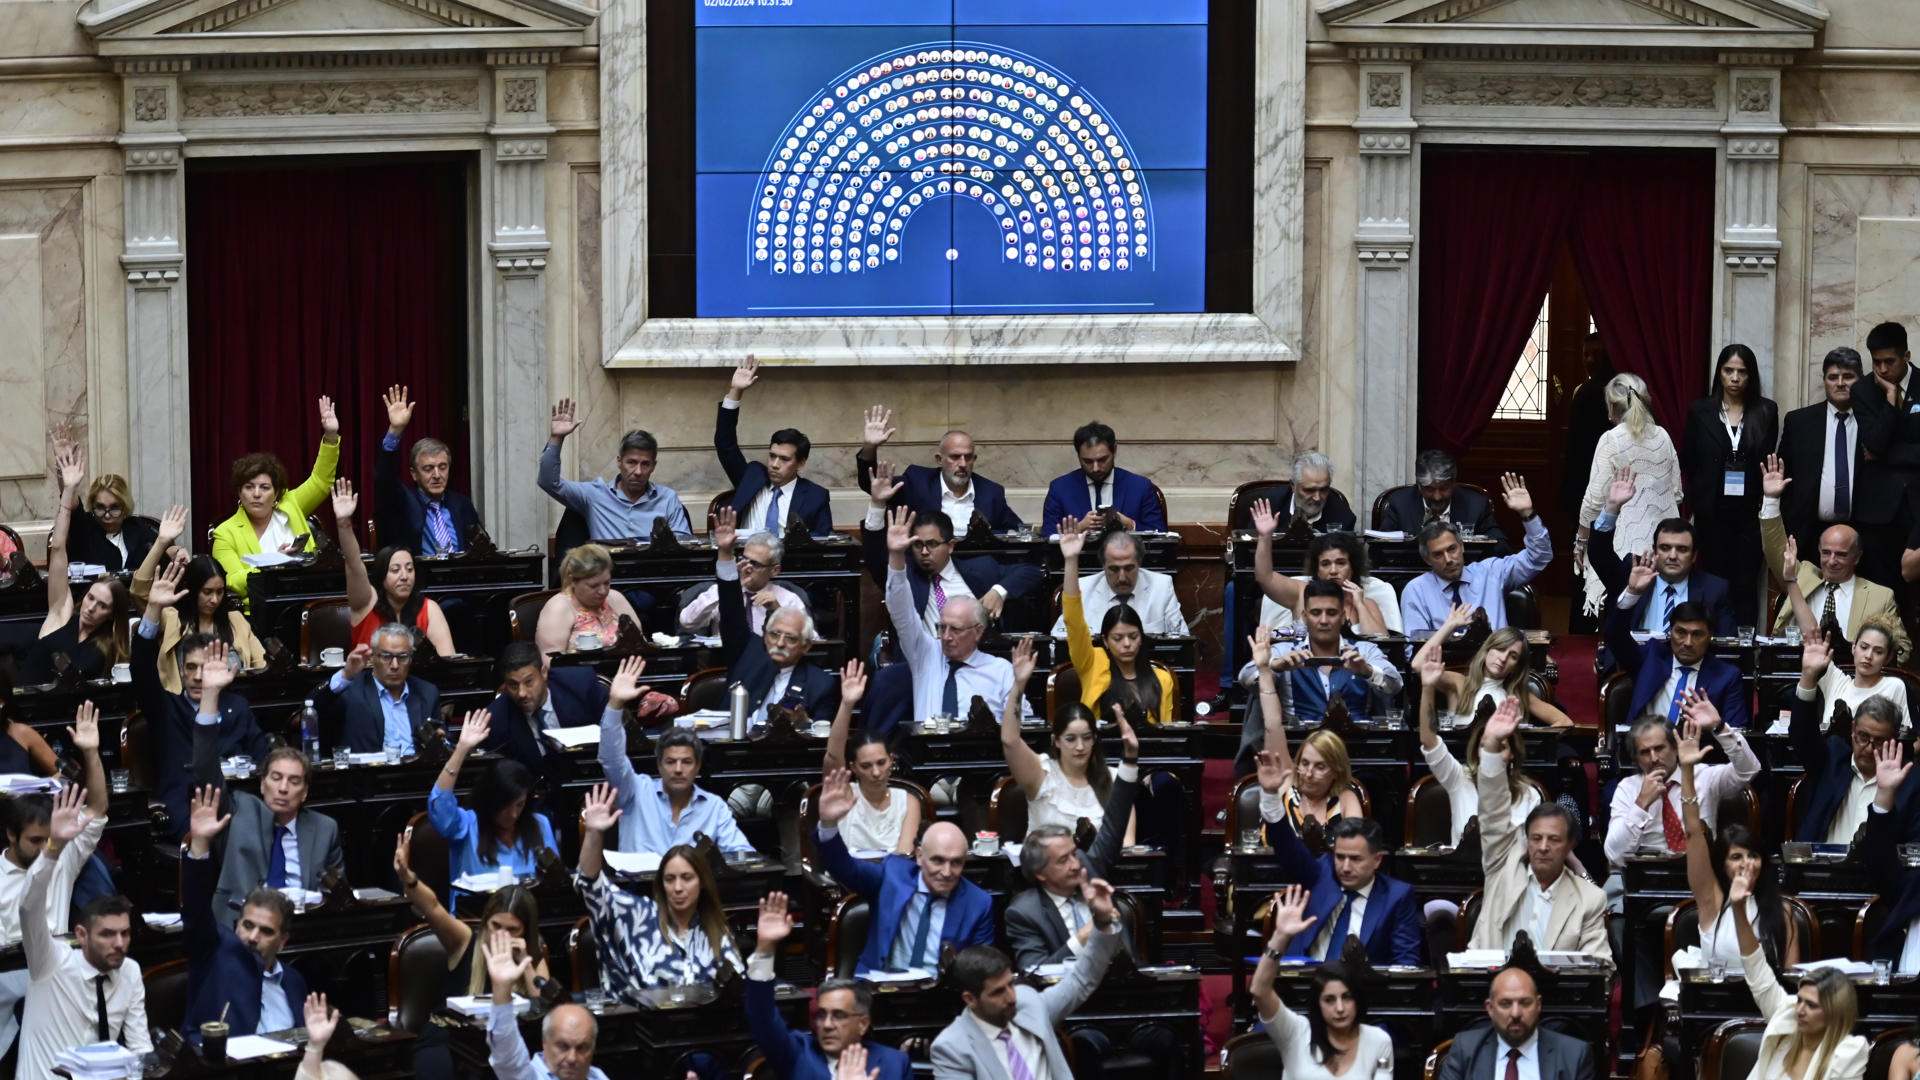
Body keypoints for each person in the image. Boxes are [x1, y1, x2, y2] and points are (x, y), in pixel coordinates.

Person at [18, 783, 150, 1079]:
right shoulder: (49, 963)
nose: (119, 944)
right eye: (107, 934)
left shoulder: (130, 972)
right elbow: (29, 908)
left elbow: (140, 1051)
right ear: (80, 935)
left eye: (125, 934)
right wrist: (52, 849)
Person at [928, 881, 1123, 1079]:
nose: (1011, 997)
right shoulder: (952, 1047)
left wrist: (1103, 921)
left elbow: (1083, 978)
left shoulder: (1028, 1003)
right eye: (997, 992)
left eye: (1010, 985)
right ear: (970, 999)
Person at [134, 561, 270, 837]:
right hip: (186, 807)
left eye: (205, 668)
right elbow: (140, 669)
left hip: (235, 803)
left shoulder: (237, 707)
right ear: (181, 672)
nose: (198, 676)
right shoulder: (167, 707)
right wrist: (152, 610)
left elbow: (263, 758)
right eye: (191, 668)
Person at [814, 767, 994, 975]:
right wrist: (828, 824)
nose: (946, 872)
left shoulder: (978, 903)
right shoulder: (892, 874)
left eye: (956, 863)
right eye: (938, 861)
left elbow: (981, 971)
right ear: (919, 855)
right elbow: (844, 868)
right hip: (879, 988)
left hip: (939, 994)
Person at [0, 704, 106, 1056]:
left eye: (48, 838)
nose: (45, 846)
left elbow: (97, 808)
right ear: (11, 836)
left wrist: (90, 753)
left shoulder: (60, 854)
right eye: (35, 840)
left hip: (58, 985)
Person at [573, 783, 743, 998]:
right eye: (670, 879)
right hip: (641, 1025)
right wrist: (593, 834)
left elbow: (739, 993)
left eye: (687, 878)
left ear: (702, 883)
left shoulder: (717, 932)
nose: (678, 888)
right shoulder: (636, 914)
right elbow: (590, 887)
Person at [1469, 700, 1610, 957]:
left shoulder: (1590, 899)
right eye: (1536, 838)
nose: (1543, 847)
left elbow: (1601, 966)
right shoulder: (1502, 867)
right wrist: (1490, 749)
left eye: (1554, 840)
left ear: (1569, 846)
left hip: (1553, 994)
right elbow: (1492, 812)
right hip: (1493, 987)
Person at [1256, 753, 1423, 965]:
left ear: (1377, 860)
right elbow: (1285, 844)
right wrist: (1271, 795)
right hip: (1305, 985)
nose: (1345, 867)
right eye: (1340, 857)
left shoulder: (1397, 896)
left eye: (1355, 859)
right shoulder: (1319, 874)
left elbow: (1406, 964)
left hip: (1361, 990)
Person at [180, 785, 308, 1037]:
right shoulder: (215, 954)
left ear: (283, 942)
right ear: (236, 924)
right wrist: (200, 844)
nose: (252, 937)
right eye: (248, 925)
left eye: (266, 931)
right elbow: (195, 910)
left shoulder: (294, 982)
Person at [881, 506, 1027, 724]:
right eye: (942, 627)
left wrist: (1020, 685)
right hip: (929, 754)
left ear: (978, 631)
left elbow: (1024, 724)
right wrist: (895, 555)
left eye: (956, 629)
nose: (946, 636)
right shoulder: (926, 655)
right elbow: (899, 608)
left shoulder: (1000, 670)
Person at [191, 724, 344, 929]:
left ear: (305, 792)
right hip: (241, 928)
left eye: (294, 781)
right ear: (262, 784)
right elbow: (204, 767)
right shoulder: (239, 810)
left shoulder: (325, 829)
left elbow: (338, 895)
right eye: (276, 778)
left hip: (301, 929)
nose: (283, 788)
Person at [746, 892, 913, 1080]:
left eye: (839, 1015)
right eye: (821, 1014)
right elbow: (761, 1014)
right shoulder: (797, 1053)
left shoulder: (894, 1064)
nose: (826, 1025)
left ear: (863, 1023)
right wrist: (765, 948)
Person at [1675, 719, 1799, 972]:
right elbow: (1693, 833)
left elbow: (1792, 979)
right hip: (1717, 1009)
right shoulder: (1712, 902)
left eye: (1753, 855)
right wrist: (1687, 771)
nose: (1746, 863)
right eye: (1736, 857)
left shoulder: (1783, 910)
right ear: (1722, 864)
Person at [1760, 453, 1910, 661]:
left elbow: (1902, 649)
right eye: (1826, 552)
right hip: (1794, 673)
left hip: (1852, 678)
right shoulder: (1802, 576)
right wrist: (1771, 499)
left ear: (1856, 557)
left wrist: (1871, 663)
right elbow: (1775, 547)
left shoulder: (1880, 597)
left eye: (1841, 555)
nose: (1831, 561)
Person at [862, 461, 1042, 634]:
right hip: (922, 660)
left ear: (950, 546)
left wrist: (998, 591)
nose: (924, 551)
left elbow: (1032, 570)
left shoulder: (981, 567)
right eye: (918, 545)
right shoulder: (906, 576)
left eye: (932, 544)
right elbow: (875, 558)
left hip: (972, 659)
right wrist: (877, 505)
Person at [596, 660, 756, 855]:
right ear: (659, 765)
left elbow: (741, 853)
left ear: (697, 766)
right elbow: (611, 760)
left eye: (687, 762)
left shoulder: (714, 807)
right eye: (670, 762)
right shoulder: (636, 791)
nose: (678, 769)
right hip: (641, 884)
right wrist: (615, 704)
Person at [1005, 742, 1142, 968]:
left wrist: (1129, 759)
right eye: (1062, 860)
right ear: (1040, 873)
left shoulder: (1089, 870)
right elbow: (1035, 973)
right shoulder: (1024, 913)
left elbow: (1114, 823)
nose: (1075, 865)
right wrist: (1084, 937)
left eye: (1073, 854)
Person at [1776, 346, 1903, 586]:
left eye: (1849, 377)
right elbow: (1784, 475)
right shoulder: (1799, 421)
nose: (1841, 383)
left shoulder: (1876, 420)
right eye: (1833, 377)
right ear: (1824, 381)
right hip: (1810, 534)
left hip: (1865, 534)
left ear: (1861, 380)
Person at [1728, 866, 1865, 1080]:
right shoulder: (1786, 1016)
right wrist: (1738, 909)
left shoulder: (1848, 1054)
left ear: (1834, 1012)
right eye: (1800, 1000)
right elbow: (1756, 970)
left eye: (1811, 1005)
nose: (1800, 1009)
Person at [1248, 885, 1396, 1080]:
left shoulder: (1378, 1040)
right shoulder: (1295, 1032)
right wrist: (1280, 937)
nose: (1340, 1008)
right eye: (1329, 1000)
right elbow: (1260, 990)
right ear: (1317, 1004)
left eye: (1347, 997)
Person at [211, 396, 341, 609]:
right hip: (259, 612)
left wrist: (330, 435)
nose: (256, 494)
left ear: (277, 493)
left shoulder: (291, 505)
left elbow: (320, 481)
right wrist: (274, 562)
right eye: (249, 487)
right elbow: (233, 582)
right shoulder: (225, 533)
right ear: (239, 492)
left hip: (308, 601)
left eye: (264, 488)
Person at [1003, 639, 1139, 844]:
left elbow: (1127, 846)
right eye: (1070, 739)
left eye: (1086, 738)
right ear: (1055, 741)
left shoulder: (1113, 780)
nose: (1080, 747)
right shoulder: (1041, 775)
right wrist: (1019, 685)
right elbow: (1010, 741)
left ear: (1095, 739)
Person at [712, 507, 838, 727]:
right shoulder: (747, 653)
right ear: (765, 635)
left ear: (805, 645)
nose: (779, 643)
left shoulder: (821, 684)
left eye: (790, 638)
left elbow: (821, 742)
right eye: (774, 634)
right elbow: (731, 613)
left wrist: (804, 724)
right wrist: (725, 554)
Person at [1683, 345, 1778, 626]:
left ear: (1751, 376)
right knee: (1713, 584)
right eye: (1729, 371)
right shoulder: (1701, 410)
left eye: (1742, 372)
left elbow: (1767, 456)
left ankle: (1746, 656)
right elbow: (1689, 458)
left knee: (1745, 587)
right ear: (1720, 374)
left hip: (1749, 516)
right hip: (1711, 514)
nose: (1735, 378)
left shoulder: (1765, 410)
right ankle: (1711, 647)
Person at [1603, 697, 1760, 867]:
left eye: (1659, 748)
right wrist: (1641, 805)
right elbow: (1614, 854)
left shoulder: (1704, 776)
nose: (1654, 758)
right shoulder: (1628, 788)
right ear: (1636, 759)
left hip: (1702, 872)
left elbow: (1749, 770)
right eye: (1645, 752)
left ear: (1675, 747)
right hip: (1645, 875)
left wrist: (1720, 727)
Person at [1574, 373, 1682, 619]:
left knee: (1622, 612)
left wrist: (1581, 542)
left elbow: (1593, 501)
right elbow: (1676, 492)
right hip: (1664, 544)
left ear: (1612, 407)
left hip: (1621, 545)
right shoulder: (1663, 435)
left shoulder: (1611, 439)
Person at [23, 441, 130, 684]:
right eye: (91, 598)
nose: (92, 607)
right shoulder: (62, 613)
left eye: (102, 606)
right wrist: (69, 490)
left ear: (112, 615)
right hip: (25, 709)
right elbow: (59, 547)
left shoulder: (109, 648)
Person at [1413, 647, 1542, 848]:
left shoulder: (1530, 795)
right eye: (1485, 746)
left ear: (1513, 755)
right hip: (1461, 875)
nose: (1491, 751)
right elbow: (1429, 740)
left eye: (1500, 746)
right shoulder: (1458, 779)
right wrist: (1428, 688)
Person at [130, 506, 266, 694]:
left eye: (220, 592)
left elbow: (263, 667)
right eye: (207, 592)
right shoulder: (172, 619)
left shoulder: (236, 620)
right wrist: (161, 542)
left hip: (232, 703)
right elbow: (139, 590)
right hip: (184, 707)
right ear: (193, 590)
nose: (214, 599)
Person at [1587, 467, 1734, 637]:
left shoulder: (1714, 590)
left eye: (1682, 549)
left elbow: (1727, 648)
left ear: (1694, 556)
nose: (1672, 556)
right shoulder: (1634, 573)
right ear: (1654, 551)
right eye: (1665, 548)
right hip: (1636, 661)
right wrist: (1611, 508)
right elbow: (1599, 555)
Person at [1399, 473, 1551, 635]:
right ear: (1427, 559)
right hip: (1446, 659)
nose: (1449, 559)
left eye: (1452, 549)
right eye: (1438, 554)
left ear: (1462, 547)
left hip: (1497, 658)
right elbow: (1414, 649)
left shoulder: (1491, 572)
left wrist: (1527, 514)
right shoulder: (1416, 590)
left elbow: (1539, 557)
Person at [1244, 626, 1365, 829]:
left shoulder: (1346, 798)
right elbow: (1273, 724)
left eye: (1320, 766)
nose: (1308, 773)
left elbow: (1354, 850)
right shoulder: (1286, 782)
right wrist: (1265, 670)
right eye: (1305, 763)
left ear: (1336, 770)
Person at [1240, 580, 1400, 732]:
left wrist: (1367, 671)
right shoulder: (1283, 651)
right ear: (1304, 617)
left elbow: (1396, 685)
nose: (1323, 620)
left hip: (1357, 744)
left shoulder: (1365, 650)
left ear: (1343, 617)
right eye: (1316, 613)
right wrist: (1275, 666)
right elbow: (1245, 679)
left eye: (1331, 613)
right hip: (1299, 744)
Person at [1059, 517, 1176, 724]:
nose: (1127, 644)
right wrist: (1070, 560)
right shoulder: (1091, 664)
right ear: (1105, 641)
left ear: (1142, 638)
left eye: (1132, 636)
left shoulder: (1163, 679)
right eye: (1118, 638)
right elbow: (1073, 622)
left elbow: (1165, 734)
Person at [428, 712, 557, 893]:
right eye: (504, 806)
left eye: (519, 804)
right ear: (490, 800)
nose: (513, 814)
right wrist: (461, 750)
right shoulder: (466, 826)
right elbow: (440, 807)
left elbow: (555, 882)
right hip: (473, 917)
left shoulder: (539, 825)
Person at [1788, 652, 1907, 844]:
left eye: (1878, 741)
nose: (1869, 748)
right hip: (1820, 869)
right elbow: (1802, 736)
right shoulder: (1832, 759)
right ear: (1853, 731)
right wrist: (1808, 677)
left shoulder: (1908, 784)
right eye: (1863, 737)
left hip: (1873, 872)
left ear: (1893, 740)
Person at [481, 643, 654, 775]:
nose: (521, 693)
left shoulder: (581, 685)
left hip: (595, 778)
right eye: (513, 685)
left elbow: (621, 737)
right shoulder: (497, 717)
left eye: (528, 682)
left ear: (543, 673)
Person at [332, 480, 455, 658]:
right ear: (382, 575)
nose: (404, 576)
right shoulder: (367, 603)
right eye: (395, 570)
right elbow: (353, 563)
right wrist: (344, 523)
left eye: (409, 569)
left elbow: (447, 661)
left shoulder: (428, 609)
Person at [542, 398, 691, 541]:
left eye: (645, 464)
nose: (638, 472)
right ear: (619, 462)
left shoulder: (667, 499)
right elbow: (548, 482)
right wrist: (556, 438)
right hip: (609, 566)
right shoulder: (594, 495)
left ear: (653, 466)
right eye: (631, 462)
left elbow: (685, 545)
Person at [857, 405, 1024, 532]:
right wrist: (869, 448)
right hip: (926, 568)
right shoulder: (917, 482)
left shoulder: (991, 492)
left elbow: (1018, 531)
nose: (963, 464)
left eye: (968, 457)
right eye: (955, 457)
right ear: (939, 459)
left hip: (976, 571)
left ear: (974, 459)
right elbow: (872, 485)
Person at [717, 356, 834, 535]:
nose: (774, 464)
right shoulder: (751, 477)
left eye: (785, 459)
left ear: (801, 462)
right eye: (772, 456)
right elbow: (725, 444)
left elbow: (823, 542)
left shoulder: (815, 496)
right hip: (745, 558)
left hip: (787, 561)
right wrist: (736, 391)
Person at [1786, 568, 1908, 733]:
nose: (1868, 656)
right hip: (1834, 757)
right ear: (1853, 647)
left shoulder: (1894, 686)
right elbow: (1811, 633)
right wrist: (1791, 581)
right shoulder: (1836, 681)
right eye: (1864, 647)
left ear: (1887, 658)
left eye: (1878, 651)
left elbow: (1909, 739)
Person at [1250, 501, 1399, 637]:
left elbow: (1380, 642)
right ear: (1317, 569)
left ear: (1353, 567)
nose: (1333, 570)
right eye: (1325, 564)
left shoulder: (1367, 603)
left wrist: (1359, 605)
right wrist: (1264, 537)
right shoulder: (1300, 592)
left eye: (1341, 563)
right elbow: (1265, 577)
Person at [1604, 597, 1751, 731]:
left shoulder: (1726, 676)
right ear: (1671, 632)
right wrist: (1632, 593)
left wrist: (1715, 725)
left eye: (1697, 635)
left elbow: (1736, 731)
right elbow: (1615, 637)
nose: (1687, 643)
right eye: (1681, 632)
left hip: (1698, 754)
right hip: (1646, 752)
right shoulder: (1651, 657)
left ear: (1709, 636)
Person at [1414, 604, 1570, 728]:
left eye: (1513, 656)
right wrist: (1448, 626)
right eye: (1500, 649)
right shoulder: (1459, 683)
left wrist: (1528, 738)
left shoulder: (1519, 695)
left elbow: (1565, 722)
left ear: (1516, 666)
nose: (1503, 658)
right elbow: (1418, 665)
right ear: (1487, 650)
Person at [482, 928, 607, 1080]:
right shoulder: (529, 1076)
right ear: (544, 1043)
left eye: (582, 1048)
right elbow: (507, 1058)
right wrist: (502, 989)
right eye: (563, 1046)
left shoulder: (598, 1076)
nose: (572, 1058)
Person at [822, 660, 919, 855]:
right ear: (854, 767)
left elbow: (905, 854)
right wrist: (847, 704)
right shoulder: (845, 794)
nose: (876, 772)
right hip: (852, 878)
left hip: (892, 879)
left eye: (881, 763)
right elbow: (833, 755)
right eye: (866, 766)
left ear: (891, 760)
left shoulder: (908, 801)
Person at [1434, 965, 1595, 1080]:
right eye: (1505, 1004)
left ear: (1538, 1005)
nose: (1516, 1013)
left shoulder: (1574, 1055)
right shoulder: (1465, 1049)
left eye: (1525, 1003)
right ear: (1490, 1008)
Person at [375, 384, 480, 556]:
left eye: (442, 467)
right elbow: (385, 480)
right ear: (414, 474)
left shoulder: (462, 504)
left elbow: (481, 546)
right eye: (428, 469)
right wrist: (395, 431)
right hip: (420, 579)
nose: (437, 475)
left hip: (460, 579)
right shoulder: (403, 501)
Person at [312, 628, 441, 756]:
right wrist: (346, 674)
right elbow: (310, 710)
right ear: (372, 658)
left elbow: (440, 741)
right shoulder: (351, 691)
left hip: (417, 772)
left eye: (402, 657)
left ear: (411, 659)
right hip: (370, 774)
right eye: (386, 657)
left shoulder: (427, 693)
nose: (395, 665)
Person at [1048, 529, 1188, 639]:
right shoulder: (1082, 589)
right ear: (1103, 565)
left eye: (1129, 568)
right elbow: (1059, 639)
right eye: (1114, 569)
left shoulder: (1161, 586)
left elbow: (1182, 638)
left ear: (1139, 563)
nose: (1122, 577)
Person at [1040, 421, 1167, 533]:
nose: (1095, 468)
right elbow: (1047, 538)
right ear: (1078, 455)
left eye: (1102, 460)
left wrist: (1129, 524)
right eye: (1087, 461)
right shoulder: (1060, 489)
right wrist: (1079, 528)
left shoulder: (1140, 487)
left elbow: (1160, 534)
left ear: (1114, 450)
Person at [677, 531, 807, 637]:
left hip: (771, 664)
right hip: (725, 664)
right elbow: (687, 622)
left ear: (774, 570)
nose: (747, 567)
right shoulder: (720, 591)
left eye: (755, 564)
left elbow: (811, 640)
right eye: (744, 559)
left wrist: (778, 611)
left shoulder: (789, 599)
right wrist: (730, 588)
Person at [1378, 450, 1508, 548]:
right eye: (1429, 489)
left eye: (1444, 488)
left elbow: (1501, 547)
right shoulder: (1399, 503)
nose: (1437, 496)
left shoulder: (1476, 504)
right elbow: (1379, 551)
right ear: (1419, 486)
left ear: (1453, 484)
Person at [536, 543, 641, 657]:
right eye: (593, 586)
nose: (603, 591)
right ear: (573, 581)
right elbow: (551, 661)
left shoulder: (615, 598)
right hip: (579, 673)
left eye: (607, 583)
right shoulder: (559, 607)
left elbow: (639, 642)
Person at [64, 458, 157, 574]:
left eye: (114, 508)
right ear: (92, 506)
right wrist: (67, 482)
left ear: (125, 507)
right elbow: (71, 503)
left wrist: (176, 551)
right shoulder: (84, 526)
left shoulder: (135, 526)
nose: (107, 516)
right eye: (100, 508)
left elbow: (158, 544)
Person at [1559, 331, 1616, 517]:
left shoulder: (1613, 392)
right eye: (1586, 355)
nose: (1590, 361)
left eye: (1596, 355)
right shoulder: (1582, 390)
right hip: (1584, 469)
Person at [1240, 452, 1358, 533]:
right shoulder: (1269, 507)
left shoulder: (1342, 515)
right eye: (1309, 490)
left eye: (1323, 489)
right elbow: (1247, 557)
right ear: (1293, 486)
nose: (1317, 497)